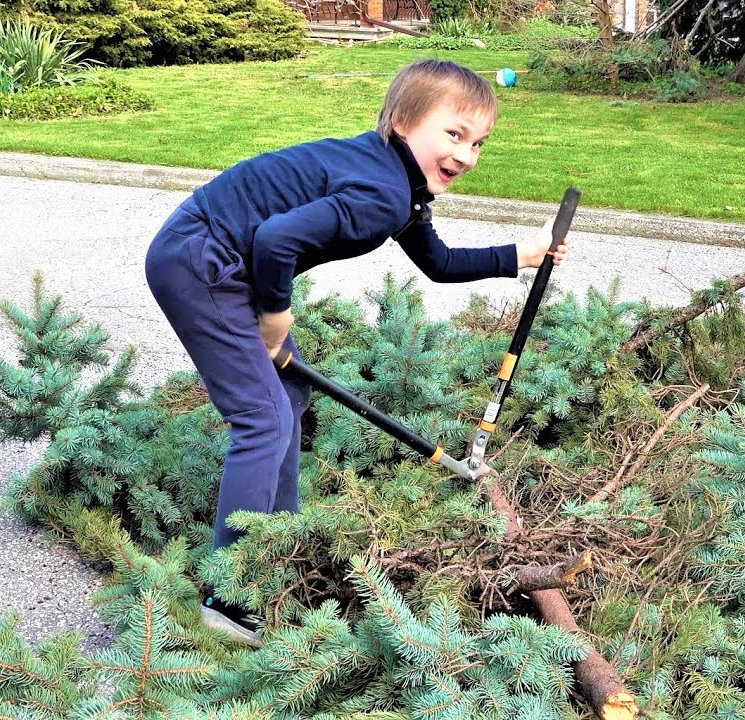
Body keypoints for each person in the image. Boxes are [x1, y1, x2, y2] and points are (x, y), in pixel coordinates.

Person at [144, 59, 568, 645]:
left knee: (287, 394)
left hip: (218, 257)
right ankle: (229, 595)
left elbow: (438, 264)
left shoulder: (395, 183)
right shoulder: (384, 193)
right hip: (203, 262)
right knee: (262, 417)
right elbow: (274, 239)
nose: (467, 155)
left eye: (478, 143)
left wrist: (523, 253)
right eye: (453, 134)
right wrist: (275, 316)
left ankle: (279, 543)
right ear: (401, 122)